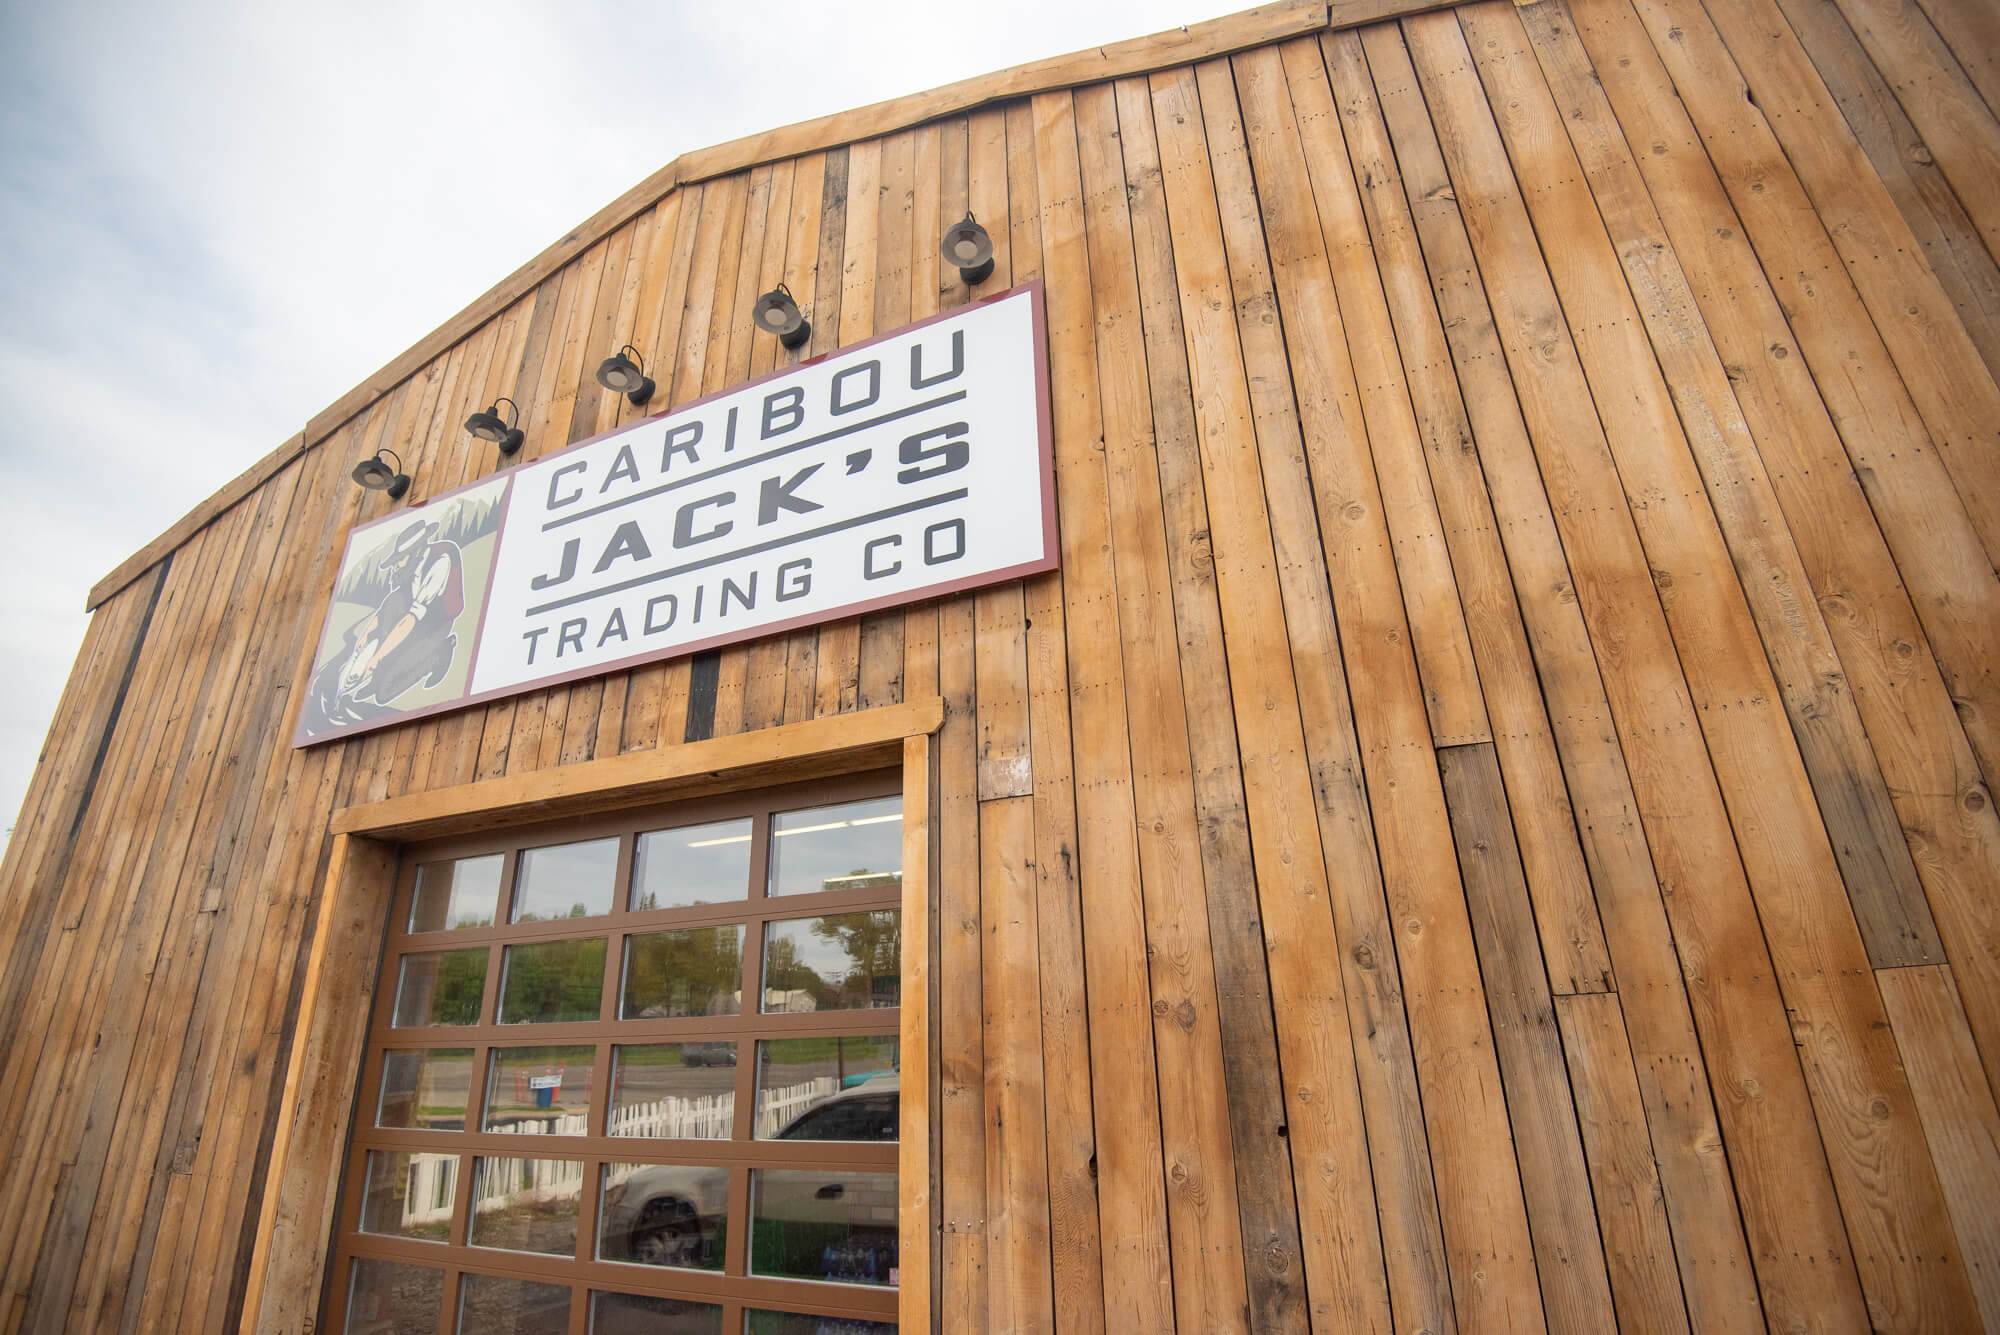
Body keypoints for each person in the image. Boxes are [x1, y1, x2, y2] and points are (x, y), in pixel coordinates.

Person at [305, 520, 465, 730]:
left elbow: (409, 621)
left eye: (400, 560)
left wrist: (378, 657)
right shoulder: (411, 568)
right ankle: (376, 670)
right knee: (394, 601)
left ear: (414, 552)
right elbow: (387, 608)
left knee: (384, 692)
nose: (397, 565)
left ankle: (440, 654)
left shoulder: (440, 563)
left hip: (435, 624)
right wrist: (365, 637)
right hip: (413, 620)